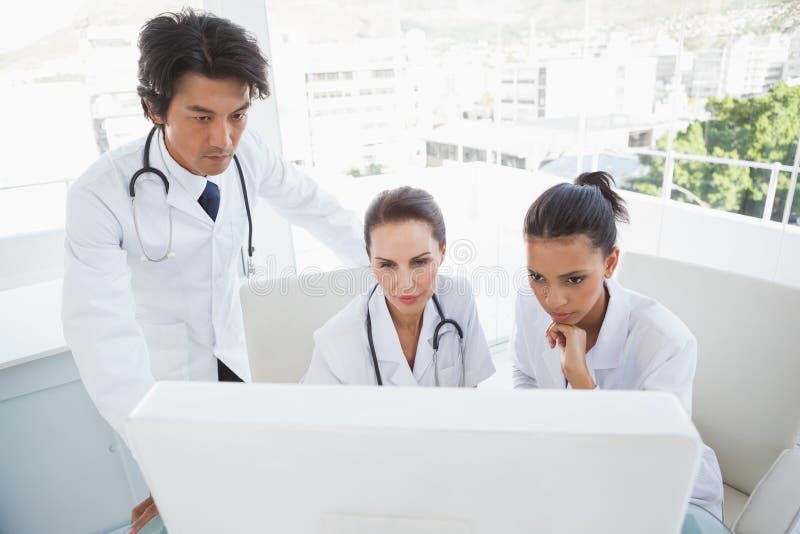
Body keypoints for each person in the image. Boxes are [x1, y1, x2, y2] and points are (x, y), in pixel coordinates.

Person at [61, 9, 365, 532]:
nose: (224, 139)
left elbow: (319, 210)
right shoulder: (100, 195)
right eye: (202, 117)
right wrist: (158, 449)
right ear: (154, 108)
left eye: (238, 115)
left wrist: (392, 269)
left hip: (239, 362)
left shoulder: (248, 155)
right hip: (163, 387)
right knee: (196, 513)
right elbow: (102, 337)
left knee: (263, 503)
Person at [509, 171, 724, 519]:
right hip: (576, 473)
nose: (553, 299)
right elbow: (525, 375)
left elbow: (650, 459)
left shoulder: (667, 343)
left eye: (574, 279)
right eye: (537, 277)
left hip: (667, 495)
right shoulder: (528, 303)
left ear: (610, 263)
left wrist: (582, 381)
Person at [303, 186, 495, 387]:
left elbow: (470, 393)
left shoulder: (458, 299)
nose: (405, 284)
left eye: (420, 262)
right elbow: (315, 407)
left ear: (442, 252)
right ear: (370, 258)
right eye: (387, 265)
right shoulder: (335, 341)